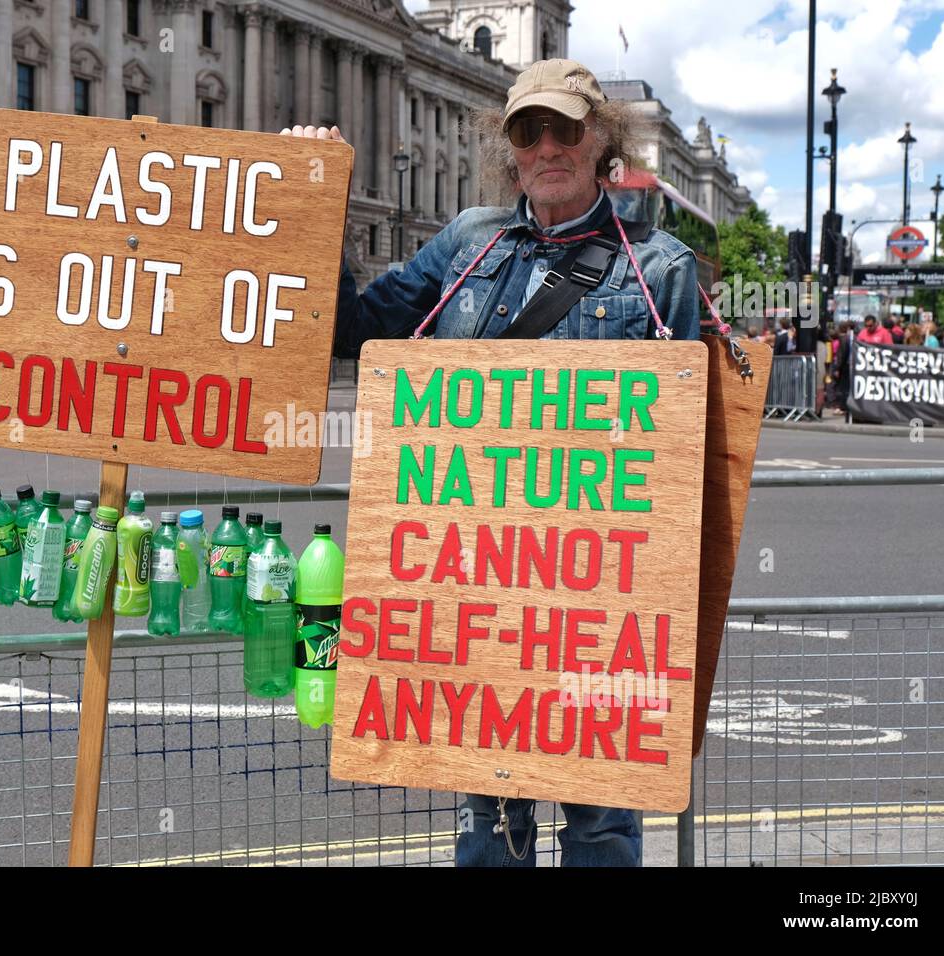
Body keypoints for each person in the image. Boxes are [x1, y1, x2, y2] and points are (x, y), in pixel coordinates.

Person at [289, 57, 701, 867]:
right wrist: (319, 205)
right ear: (510, 147)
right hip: (475, 584)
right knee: (490, 823)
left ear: (599, 141)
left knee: (602, 824)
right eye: (528, 130)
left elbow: (683, 454)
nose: (547, 145)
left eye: (564, 128)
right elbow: (345, 333)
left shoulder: (660, 269)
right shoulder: (465, 244)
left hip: (599, 600)